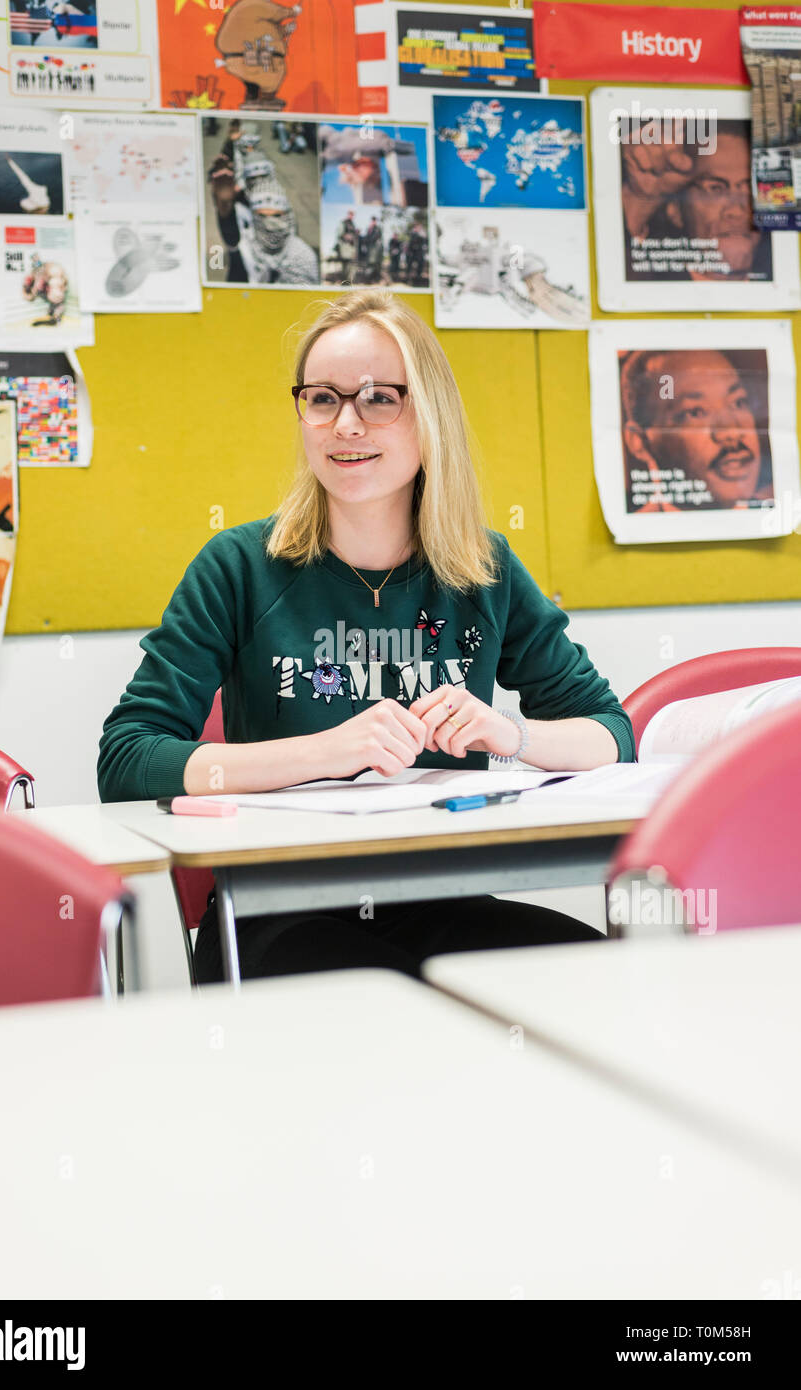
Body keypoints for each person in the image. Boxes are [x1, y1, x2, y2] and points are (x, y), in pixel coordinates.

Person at [98, 290, 635, 982]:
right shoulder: (237, 567)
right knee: (388, 1006)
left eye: (379, 398)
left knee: (597, 977)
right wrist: (321, 753)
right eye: (322, 399)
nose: (345, 423)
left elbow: (611, 735)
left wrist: (511, 736)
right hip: (275, 912)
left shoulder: (483, 567)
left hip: (444, 900)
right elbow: (126, 759)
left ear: (429, 414)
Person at [620, 349, 771, 511]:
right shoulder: (633, 532)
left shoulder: (779, 519)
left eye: (738, 403)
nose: (732, 432)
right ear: (639, 441)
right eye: (695, 412)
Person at [621, 121, 772, 283]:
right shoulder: (645, 286)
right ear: (675, 210)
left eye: (750, 188)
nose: (737, 211)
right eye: (715, 189)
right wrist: (637, 203)